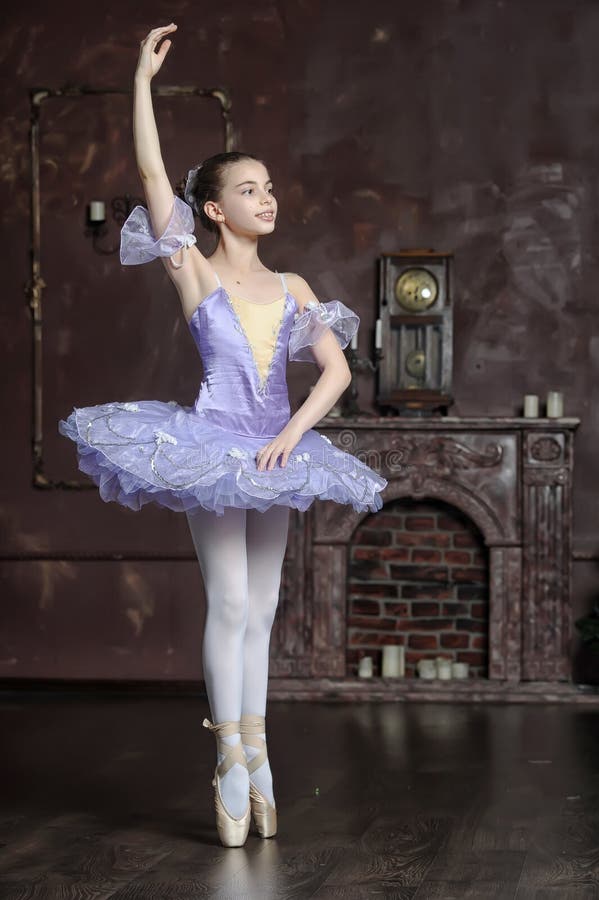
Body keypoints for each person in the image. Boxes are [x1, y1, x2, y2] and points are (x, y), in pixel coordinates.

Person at [58, 22, 387, 848]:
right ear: (213, 207)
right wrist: (140, 79)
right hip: (210, 444)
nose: (266, 197)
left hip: (276, 445)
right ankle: (230, 759)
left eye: (269, 186)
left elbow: (338, 373)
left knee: (266, 604)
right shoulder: (193, 268)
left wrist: (290, 435)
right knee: (231, 599)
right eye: (247, 189)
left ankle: (262, 751)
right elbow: (148, 172)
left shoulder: (292, 283)